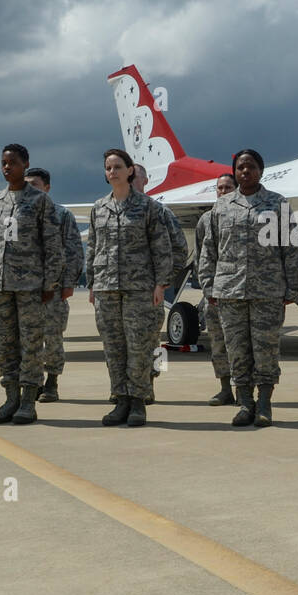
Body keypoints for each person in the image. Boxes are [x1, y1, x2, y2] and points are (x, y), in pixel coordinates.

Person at [198, 149, 298, 428]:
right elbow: (210, 249)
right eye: (241, 167)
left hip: (267, 291)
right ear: (235, 172)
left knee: (266, 349)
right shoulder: (221, 207)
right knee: (237, 350)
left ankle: (265, 403)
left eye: (251, 166)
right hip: (229, 290)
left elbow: (291, 248)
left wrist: (292, 287)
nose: (246, 171)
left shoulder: (277, 203)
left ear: (261, 170)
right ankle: (245, 403)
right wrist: (209, 286)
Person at [87, 148, 173, 426]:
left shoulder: (149, 208)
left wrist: (161, 284)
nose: (112, 172)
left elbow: (161, 248)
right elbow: (93, 249)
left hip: (140, 289)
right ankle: (120, 400)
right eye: (108, 168)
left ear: (130, 171)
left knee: (139, 347)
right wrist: (92, 284)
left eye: (117, 167)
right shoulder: (99, 208)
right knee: (114, 347)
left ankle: (138, 402)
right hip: (106, 289)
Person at [0, 143, 61, 425]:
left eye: (12, 162)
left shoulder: (40, 201)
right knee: (5, 344)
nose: (7, 167)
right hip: (0, 284)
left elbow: (52, 245)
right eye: (3, 162)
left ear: (25, 164)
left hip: (30, 286)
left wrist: (50, 283)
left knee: (30, 344)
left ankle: (28, 400)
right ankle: (10, 398)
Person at [24, 167, 84, 404]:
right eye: (27, 184)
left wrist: (69, 283)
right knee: (28, 339)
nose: (30, 188)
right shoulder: (20, 215)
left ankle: (52, 382)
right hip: (25, 290)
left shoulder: (61, 216)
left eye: (35, 184)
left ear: (47, 188)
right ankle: (33, 382)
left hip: (54, 289)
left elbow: (74, 251)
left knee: (53, 337)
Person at [132, 162, 187, 405]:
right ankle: (125, 387)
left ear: (145, 182)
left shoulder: (160, 211)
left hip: (149, 291)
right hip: (119, 291)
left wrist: (164, 281)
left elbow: (180, 249)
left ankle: (152, 381)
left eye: (136, 177)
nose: (131, 181)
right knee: (121, 342)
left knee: (153, 341)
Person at [196, 173, 237, 406]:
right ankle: (224, 388)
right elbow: (203, 255)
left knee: (241, 344)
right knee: (218, 343)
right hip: (215, 294)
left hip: (240, 291)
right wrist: (207, 288)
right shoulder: (206, 219)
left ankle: (243, 389)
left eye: (228, 187)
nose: (223, 191)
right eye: (220, 188)